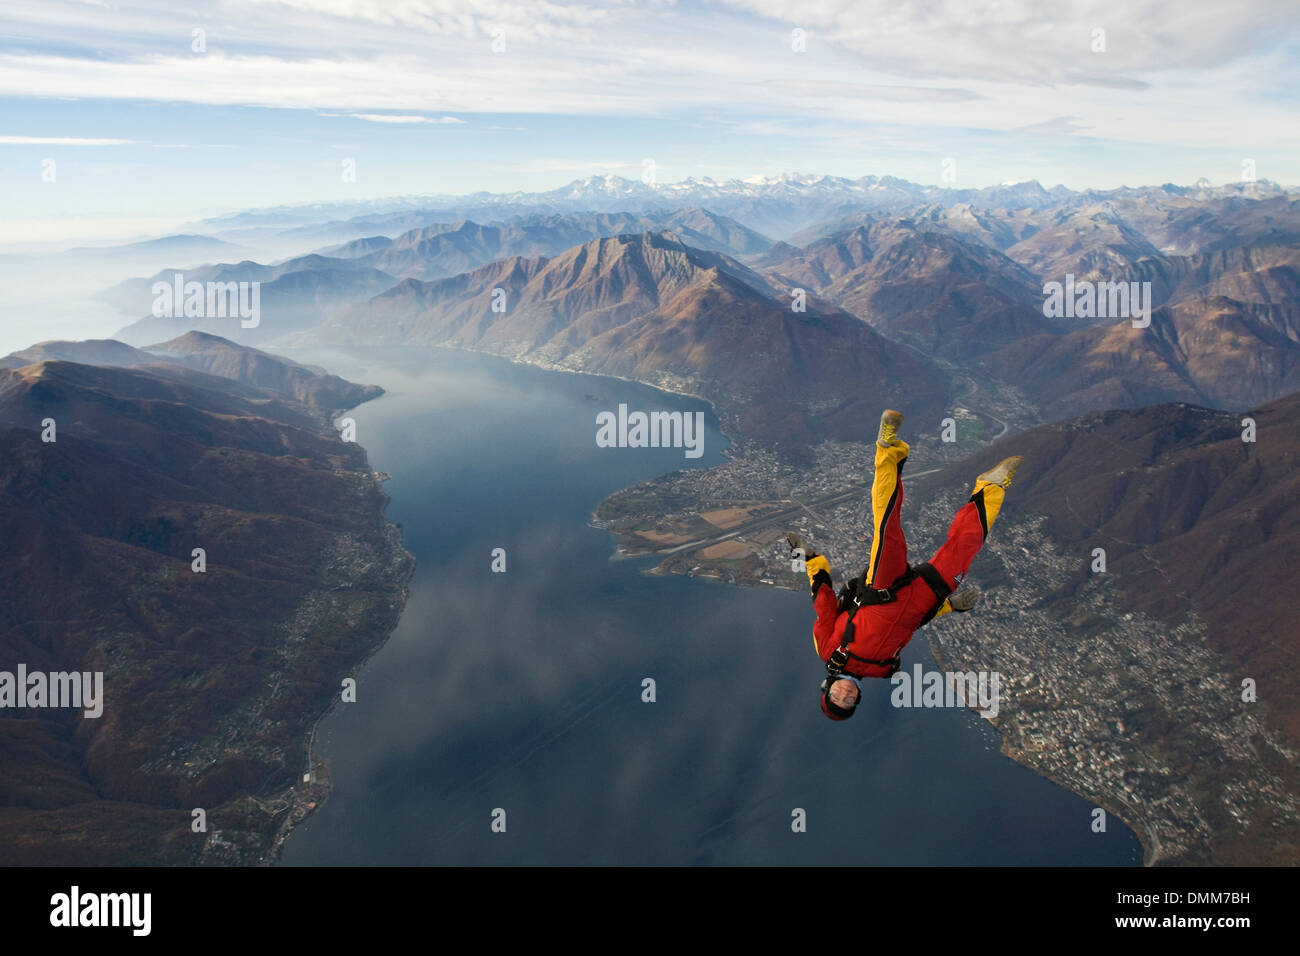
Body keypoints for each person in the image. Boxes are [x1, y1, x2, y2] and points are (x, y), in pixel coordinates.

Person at [788, 409, 1022, 721]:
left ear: (827, 688)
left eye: (837, 697)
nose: (845, 694)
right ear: (857, 699)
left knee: (887, 529)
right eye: (848, 701)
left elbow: (825, 606)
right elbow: (909, 628)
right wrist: (950, 607)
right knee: (965, 548)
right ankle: (991, 487)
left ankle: (889, 449)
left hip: (880, 591)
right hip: (918, 603)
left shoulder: (829, 652)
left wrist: (813, 561)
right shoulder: (887, 669)